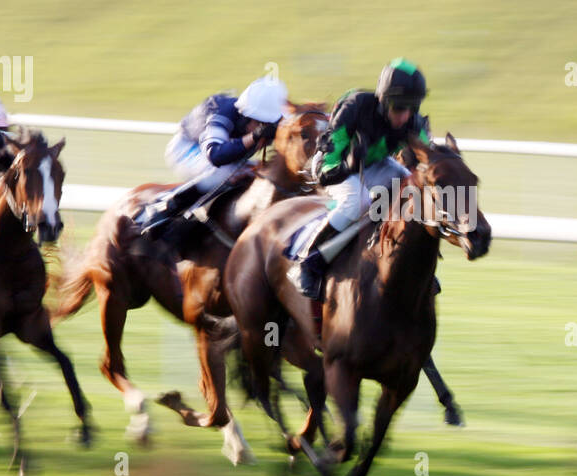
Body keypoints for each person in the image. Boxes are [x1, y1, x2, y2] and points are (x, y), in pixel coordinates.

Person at [289, 58, 430, 298]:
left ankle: (417, 265)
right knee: (358, 200)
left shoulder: (414, 122)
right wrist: (349, 164)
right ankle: (308, 261)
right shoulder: (353, 108)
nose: (405, 117)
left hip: (373, 164)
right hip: (331, 164)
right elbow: (326, 170)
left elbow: (427, 164)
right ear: (384, 101)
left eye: (411, 109)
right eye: (399, 108)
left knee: (413, 187)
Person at [134, 76, 287, 233]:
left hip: (226, 159)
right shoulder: (223, 112)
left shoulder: (267, 120)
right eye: (263, 124)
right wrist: (255, 135)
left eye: (271, 125)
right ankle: (161, 208)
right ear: (247, 115)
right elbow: (215, 155)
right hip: (187, 148)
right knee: (222, 173)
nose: (268, 130)